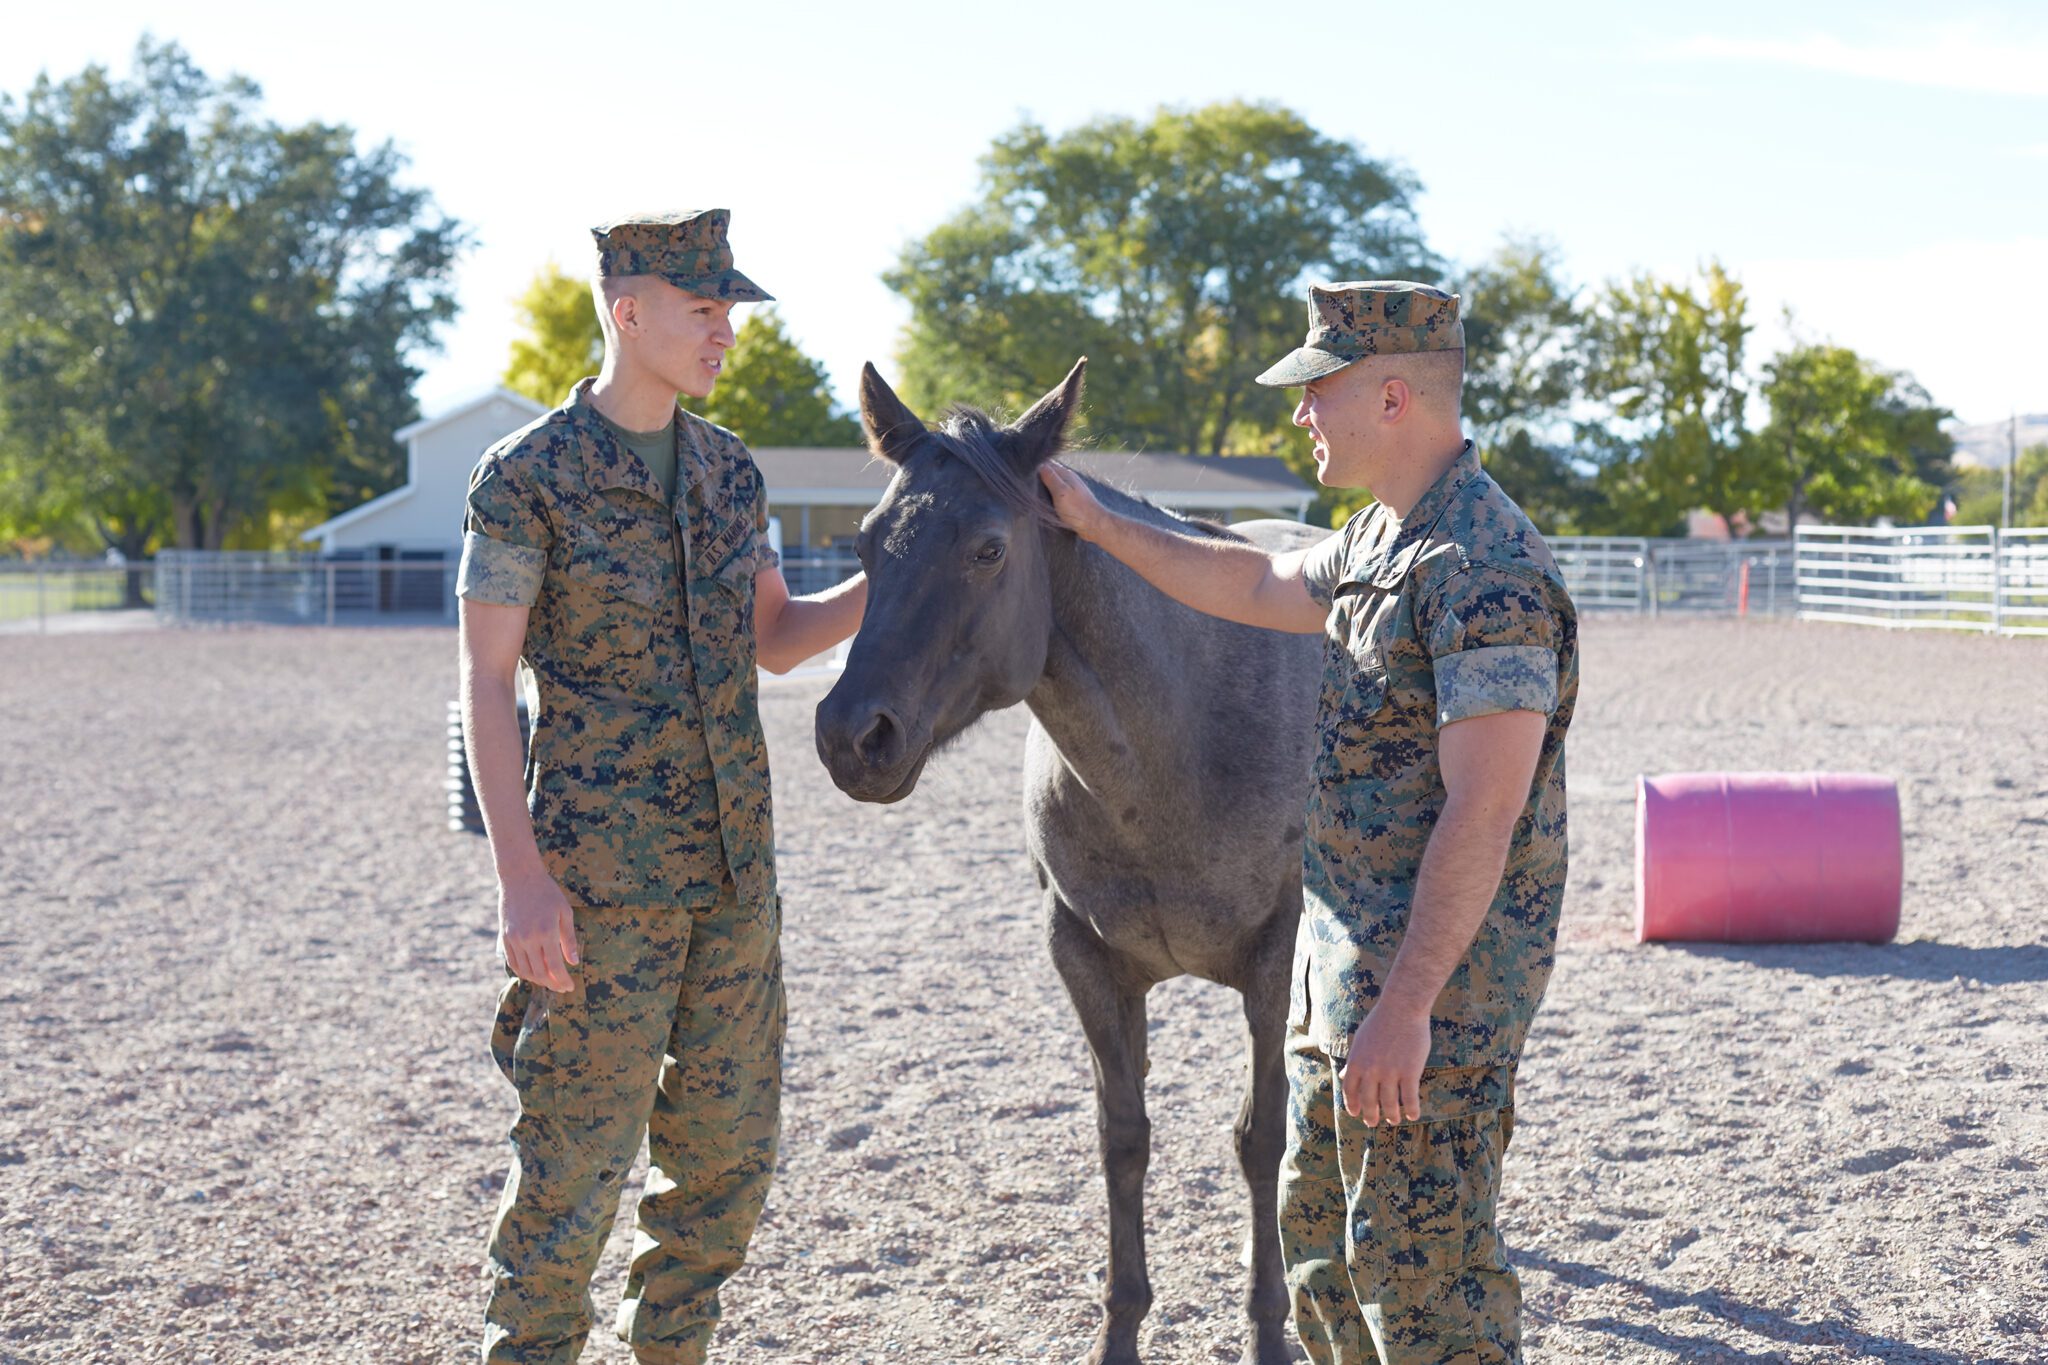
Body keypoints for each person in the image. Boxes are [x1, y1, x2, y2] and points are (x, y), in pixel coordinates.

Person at [1037, 280, 1577, 1364]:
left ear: (1389, 397)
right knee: (1325, 1264)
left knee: (1422, 1291)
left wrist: (1406, 1009)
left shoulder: (1484, 571)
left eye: (1312, 393)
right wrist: (1099, 524)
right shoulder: (1381, 537)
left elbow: (1482, 813)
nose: (1297, 417)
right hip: (1338, 981)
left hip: (1433, 1002)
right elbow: (1256, 580)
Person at [456, 209, 866, 1365]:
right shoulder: (527, 478)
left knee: (726, 1162)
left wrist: (895, 573)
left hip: (736, 880)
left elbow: (776, 639)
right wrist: (521, 883)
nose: (725, 332)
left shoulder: (731, 471)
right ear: (627, 313)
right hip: (597, 888)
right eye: (704, 310)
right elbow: (488, 684)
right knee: (572, 1172)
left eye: (730, 311)